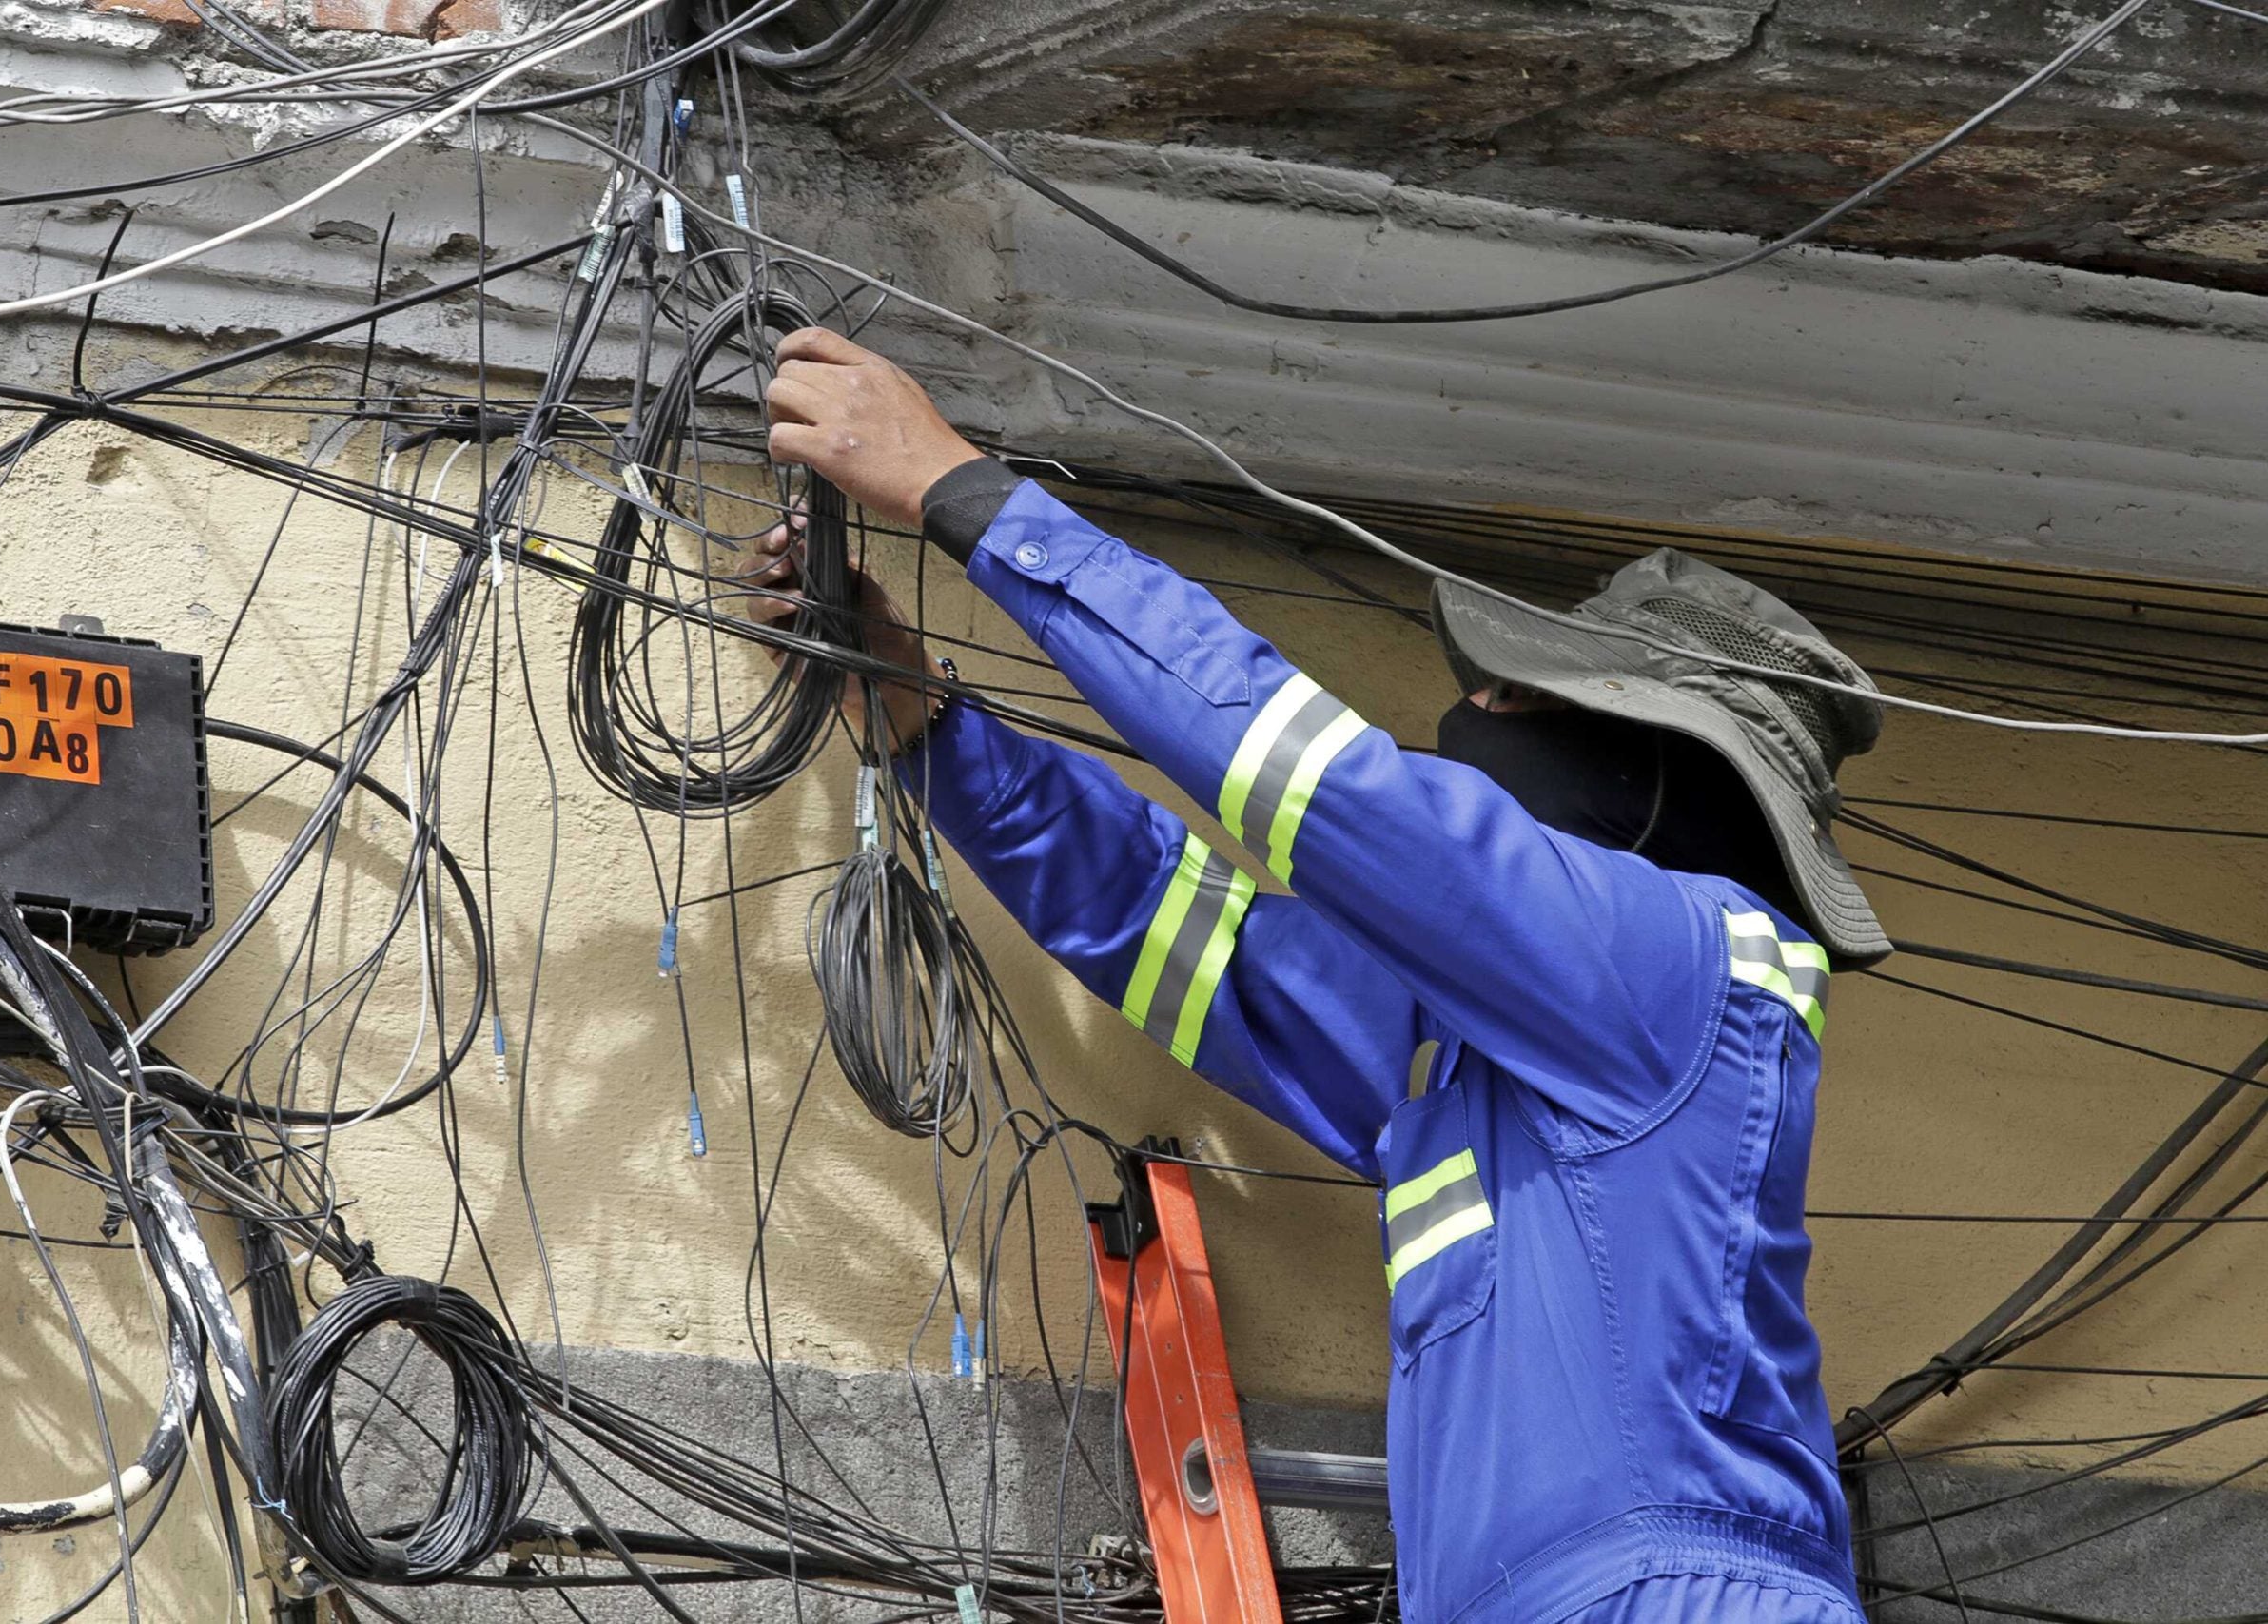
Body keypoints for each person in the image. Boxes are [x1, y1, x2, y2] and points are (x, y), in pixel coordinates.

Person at [749, 325, 1889, 1624]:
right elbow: (1185, 934)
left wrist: (961, 492)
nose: (1480, 717)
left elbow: (1311, 778)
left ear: (1648, 770)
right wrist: (924, 723)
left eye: (1528, 696)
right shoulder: (1483, 1058)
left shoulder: (1678, 959)